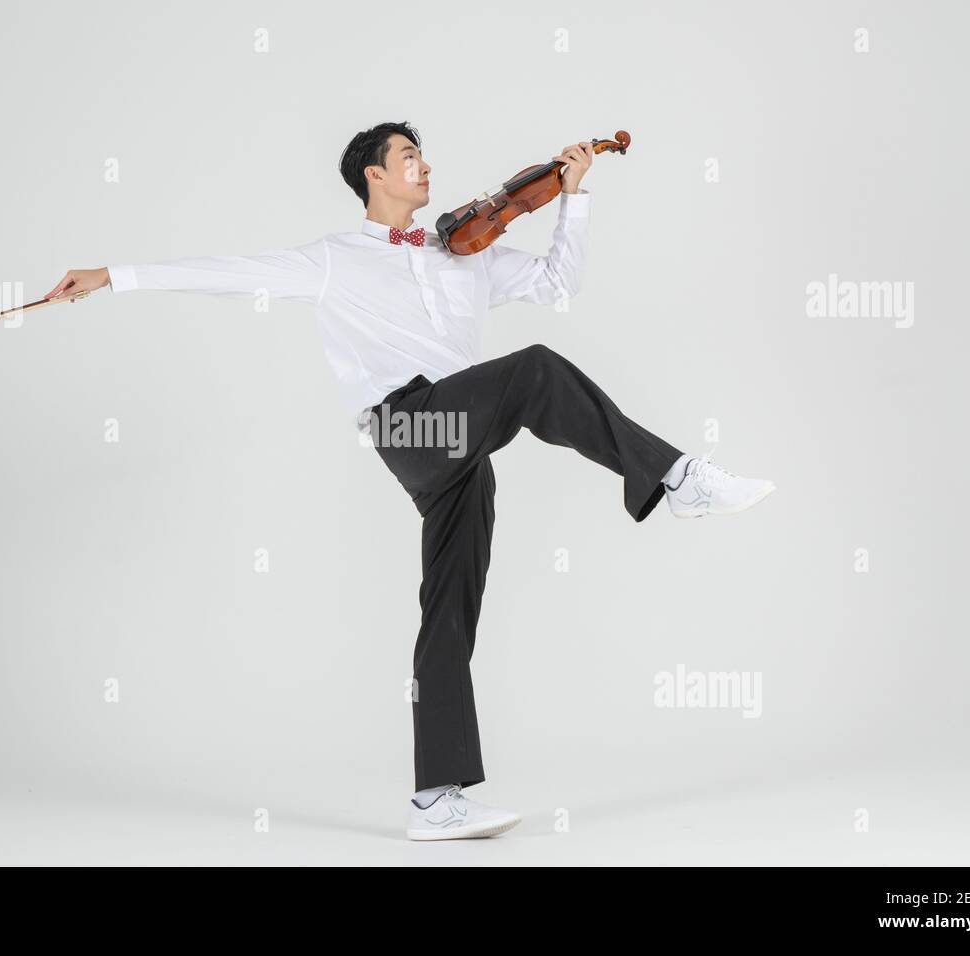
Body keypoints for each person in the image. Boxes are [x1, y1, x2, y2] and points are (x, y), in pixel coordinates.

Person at [46, 121, 775, 841]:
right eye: (409, 157)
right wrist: (114, 276)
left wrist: (573, 197)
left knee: (449, 612)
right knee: (536, 371)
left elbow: (558, 283)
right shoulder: (333, 260)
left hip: (461, 441)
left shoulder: (466, 251)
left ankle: (435, 799)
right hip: (407, 427)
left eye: (424, 156)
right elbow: (233, 273)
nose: (425, 167)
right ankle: (676, 478)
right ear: (374, 174)